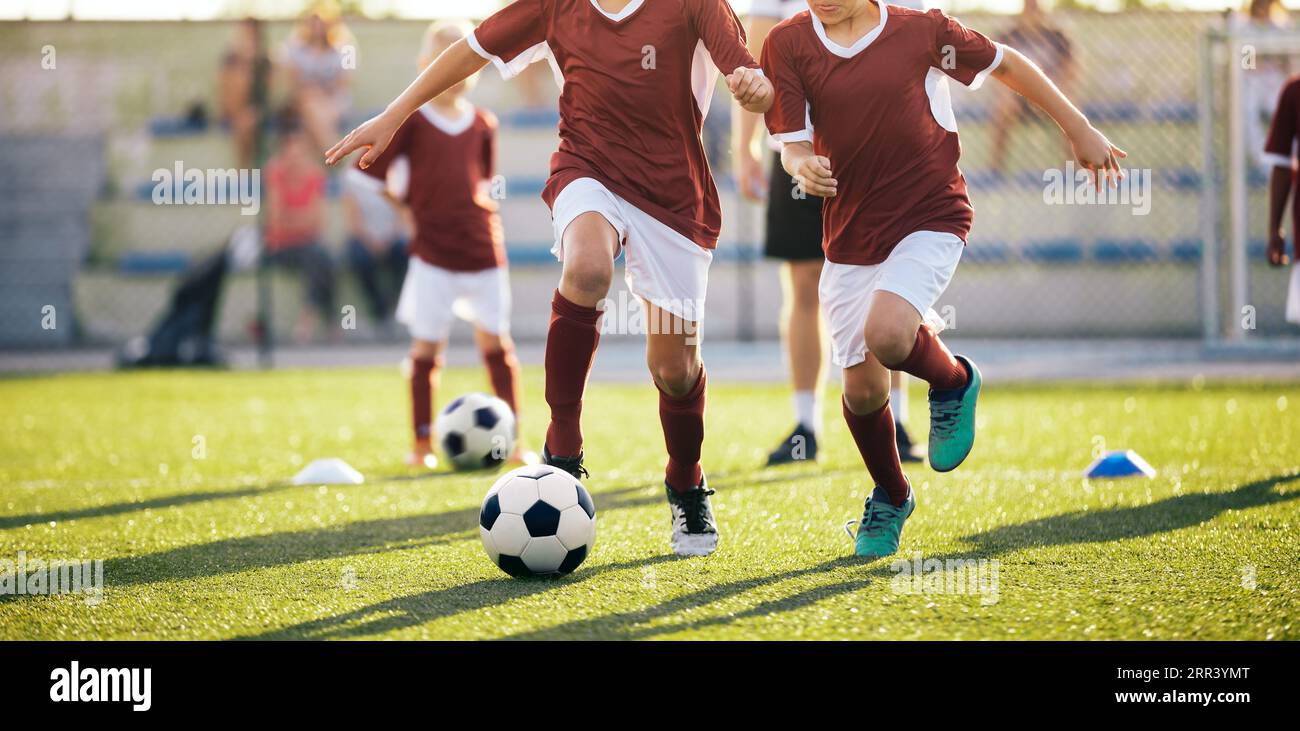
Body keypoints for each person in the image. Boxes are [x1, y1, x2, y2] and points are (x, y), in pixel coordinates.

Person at [327, 0, 773, 557]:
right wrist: (394, 115)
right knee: (586, 268)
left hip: (675, 198)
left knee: (676, 371)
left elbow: (743, 68)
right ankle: (562, 444)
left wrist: (754, 87)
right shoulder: (555, 5)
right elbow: (471, 49)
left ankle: (686, 481)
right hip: (587, 169)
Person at [761, 0, 1125, 558]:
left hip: (931, 215)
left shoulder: (923, 29)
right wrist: (800, 163)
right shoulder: (788, 43)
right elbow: (792, 141)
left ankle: (952, 381)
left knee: (888, 334)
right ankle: (891, 495)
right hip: (851, 237)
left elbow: (1007, 64)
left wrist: (1077, 126)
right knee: (861, 392)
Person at [735, 0, 925, 467]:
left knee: (886, 286)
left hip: (876, 155)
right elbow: (754, 62)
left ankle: (895, 420)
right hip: (798, 152)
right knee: (803, 286)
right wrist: (746, 146)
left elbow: (916, 54)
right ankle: (806, 426)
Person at [346, 22, 533, 468]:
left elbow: (483, 184)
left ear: (475, 69)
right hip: (432, 254)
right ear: (423, 66)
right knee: (426, 350)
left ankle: (514, 442)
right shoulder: (411, 122)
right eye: (439, 57)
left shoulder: (484, 124)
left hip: (483, 250)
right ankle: (421, 444)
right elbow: (366, 175)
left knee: (497, 346)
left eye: (460, 59)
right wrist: (407, 212)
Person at [265, 113, 336, 343]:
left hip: (306, 245)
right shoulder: (274, 172)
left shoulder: (314, 174)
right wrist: (302, 221)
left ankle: (310, 319)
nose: (296, 155)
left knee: (321, 257)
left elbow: (318, 221)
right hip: (280, 247)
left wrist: (292, 219)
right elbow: (275, 221)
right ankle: (329, 322)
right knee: (318, 256)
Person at [989, 0, 1074, 173]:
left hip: (1051, 94)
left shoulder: (1057, 36)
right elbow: (996, 72)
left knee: (1071, 107)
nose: (1032, 9)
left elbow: (1070, 73)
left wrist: (1046, 91)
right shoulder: (1009, 36)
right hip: (1018, 95)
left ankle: (1069, 169)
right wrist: (1022, 90)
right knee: (1004, 105)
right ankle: (995, 169)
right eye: (1028, 5)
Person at [341, 171, 410, 333]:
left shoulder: (396, 175)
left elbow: (401, 215)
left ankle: (394, 304)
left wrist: (387, 239)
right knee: (359, 258)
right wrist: (372, 242)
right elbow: (354, 220)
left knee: (405, 253)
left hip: (391, 238)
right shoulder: (352, 179)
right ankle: (379, 309)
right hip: (365, 239)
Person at [283, 8, 353, 155]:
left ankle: (328, 159)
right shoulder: (295, 48)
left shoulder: (347, 48)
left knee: (312, 120)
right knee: (311, 104)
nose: (318, 28)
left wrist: (321, 93)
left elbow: (346, 81)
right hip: (305, 100)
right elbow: (292, 81)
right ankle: (335, 154)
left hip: (333, 102)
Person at [217, 17, 266, 169]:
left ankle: (245, 169)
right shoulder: (230, 60)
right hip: (235, 111)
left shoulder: (263, 61)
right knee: (244, 121)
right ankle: (244, 170)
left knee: (248, 121)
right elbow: (223, 90)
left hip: (256, 110)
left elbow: (265, 94)